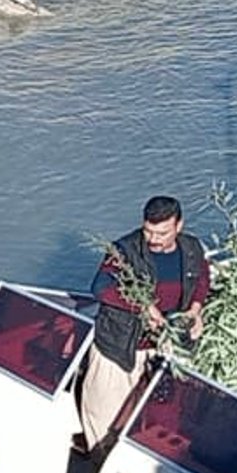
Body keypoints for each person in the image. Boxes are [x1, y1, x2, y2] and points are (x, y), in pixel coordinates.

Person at [79, 195, 211, 454]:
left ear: (179, 226)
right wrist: (143, 307)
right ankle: (99, 459)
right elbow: (101, 288)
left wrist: (195, 311)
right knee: (105, 413)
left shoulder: (192, 249)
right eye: (149, 231)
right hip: (120, 347)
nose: (154, 239)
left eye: (162, 233)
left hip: (163, 346)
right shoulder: (125, 250)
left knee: (157, 414)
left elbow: (202, 280)